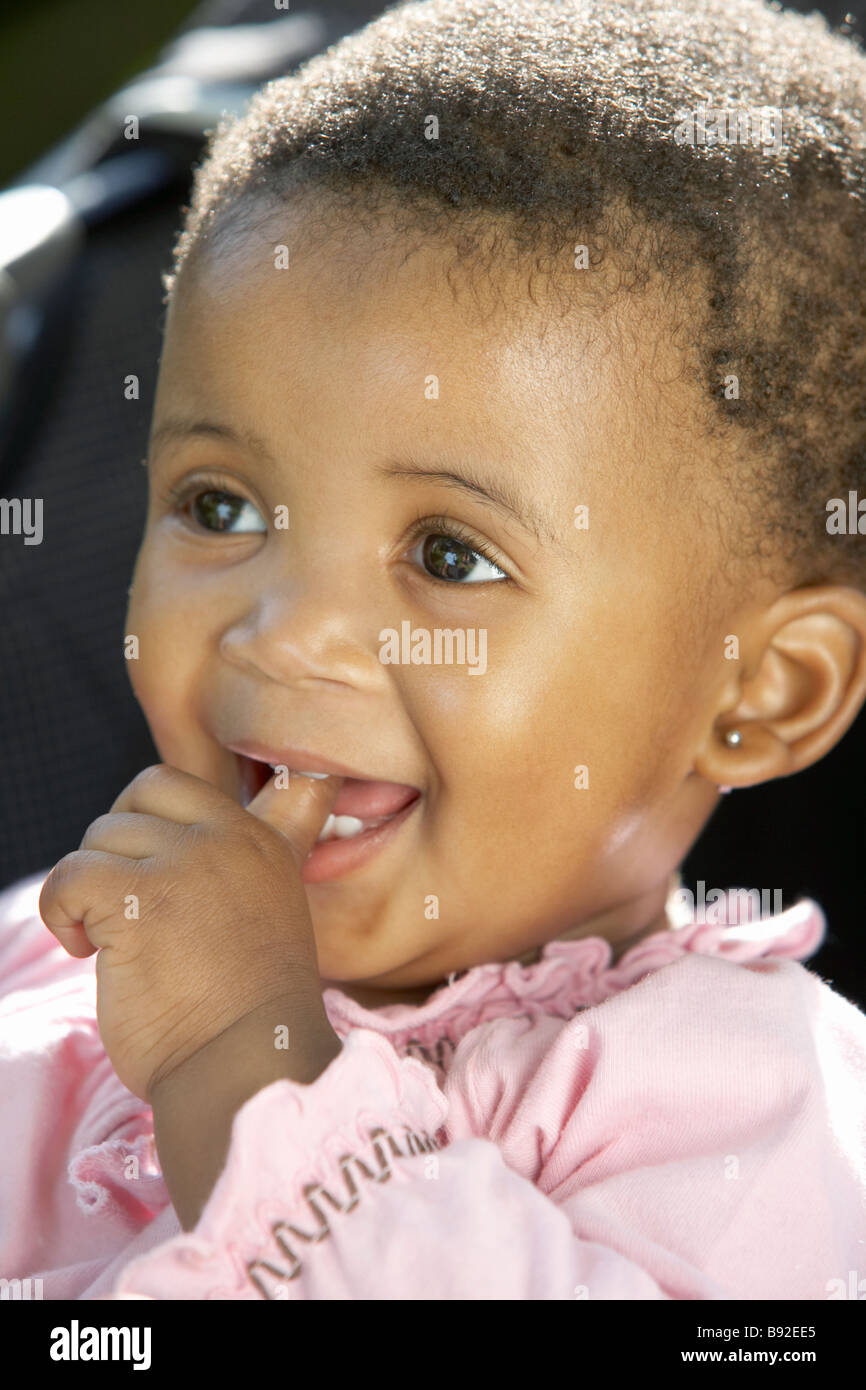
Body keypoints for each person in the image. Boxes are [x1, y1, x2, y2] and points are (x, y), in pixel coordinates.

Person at [2, 0, 866, 1300]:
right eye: (218, 505)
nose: (281, 632)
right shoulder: (62, 939)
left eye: (449, 554)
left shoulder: (749, 1113)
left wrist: (241, 1055)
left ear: (760, 691)